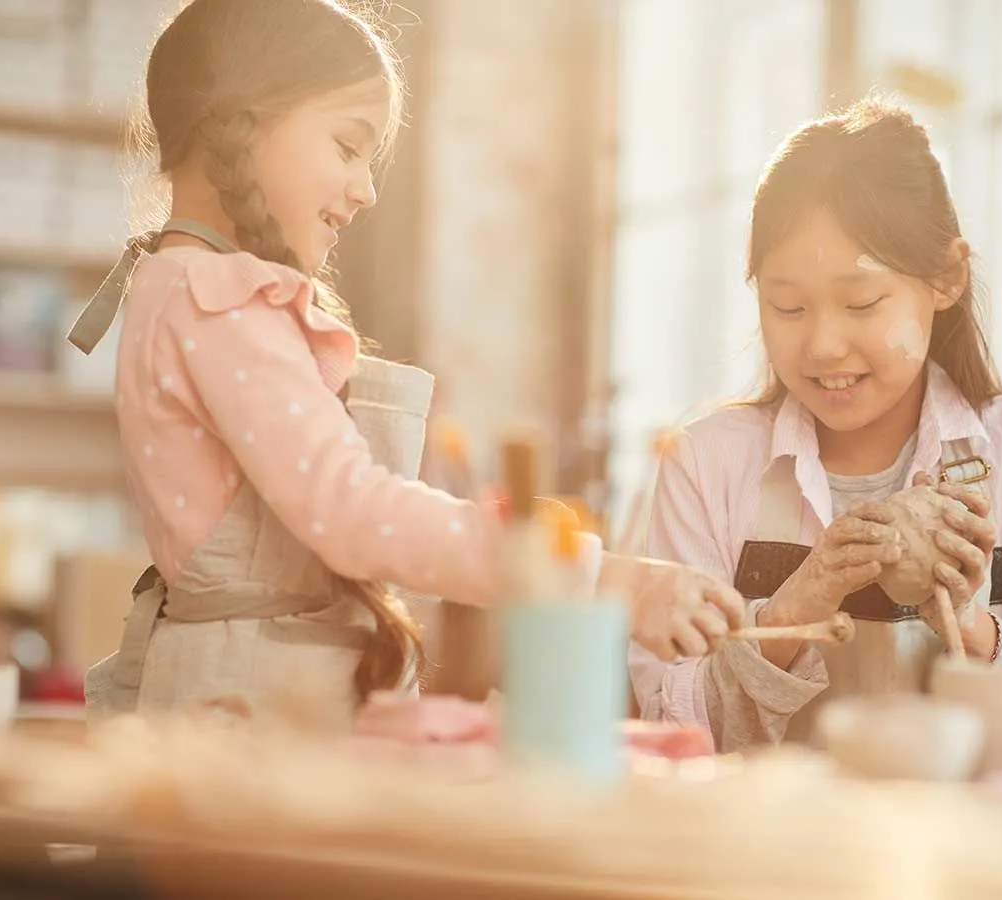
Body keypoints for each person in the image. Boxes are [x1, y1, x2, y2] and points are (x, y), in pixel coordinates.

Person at [68, 0, 743, 726]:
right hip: (255, 714)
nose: (367, 189)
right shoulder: (220, 298)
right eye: (347, 145)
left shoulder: (183, 286)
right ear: (237, 117)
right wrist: (599, 578)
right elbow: (354, 511)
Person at [629, 100, 1002, 752]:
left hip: (969, 848)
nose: (823, 345)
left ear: (947, 277)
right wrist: (799, 605)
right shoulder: (707, 463)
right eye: (786, 305)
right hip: (756, 845)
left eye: (861, 303)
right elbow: (669, 732)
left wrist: (966, 621)